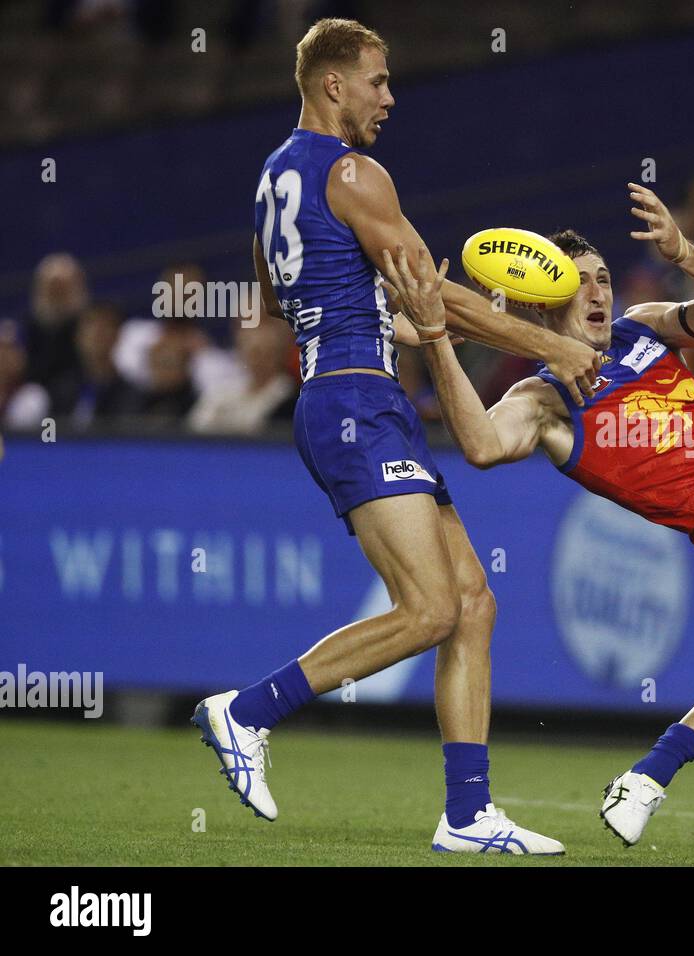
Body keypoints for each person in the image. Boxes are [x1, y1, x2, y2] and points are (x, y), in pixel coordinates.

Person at [192, 17, 599, 856]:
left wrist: (379, 318)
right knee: (429, 608)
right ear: (331, 84)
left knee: (473, 606)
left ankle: (468, 815)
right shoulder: (355, 171)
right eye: (376, 80)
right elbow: (436, 296)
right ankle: (246, 710)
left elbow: (279, 300)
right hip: (355, 403)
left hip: (342, 389)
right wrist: (553, 342)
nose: (389, 95)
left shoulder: (274, 178)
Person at [381, 183, 694, 849]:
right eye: (579, 282)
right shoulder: (544, 399)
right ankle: (682, 774)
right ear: (539, 294)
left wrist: (686, 251)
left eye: (602, 279)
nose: (598, 293)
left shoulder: (644, 328)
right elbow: (480, 445)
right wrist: (436, 340)